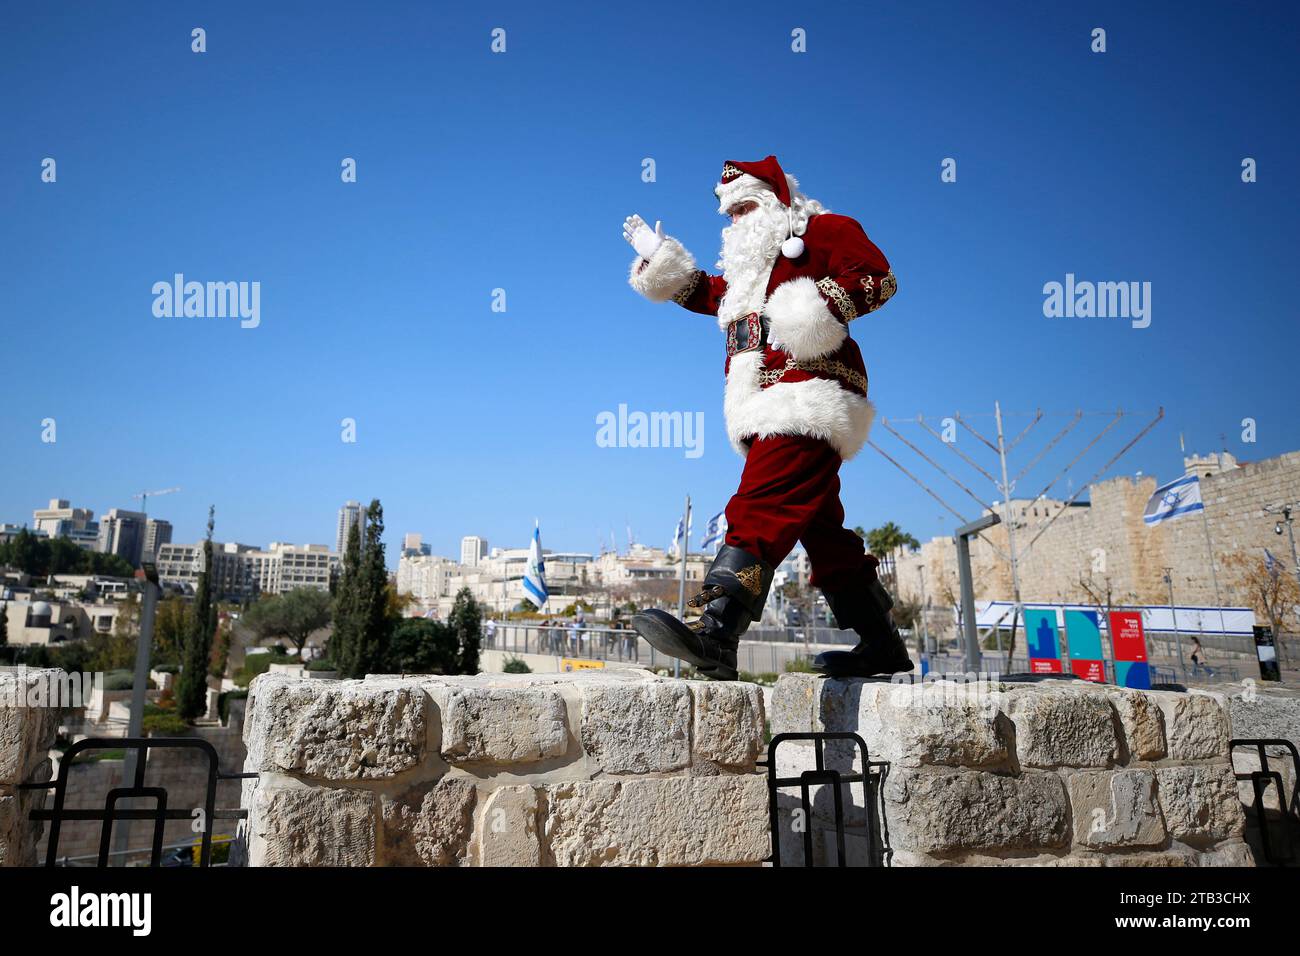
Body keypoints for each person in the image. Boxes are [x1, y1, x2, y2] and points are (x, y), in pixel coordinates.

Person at [623, 156, 910, 681]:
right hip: (761, 402)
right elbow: (706, 294)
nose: (736, 221)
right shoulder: (745, 276)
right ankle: (882, 642)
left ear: (776, 200)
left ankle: (718, 632)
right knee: (823, 533)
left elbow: (879, 278)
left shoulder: (822, 230)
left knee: (761, 504)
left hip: (809, 394)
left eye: (746, 207)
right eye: (729, 214)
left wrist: (815, 308)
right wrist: (660, 261)